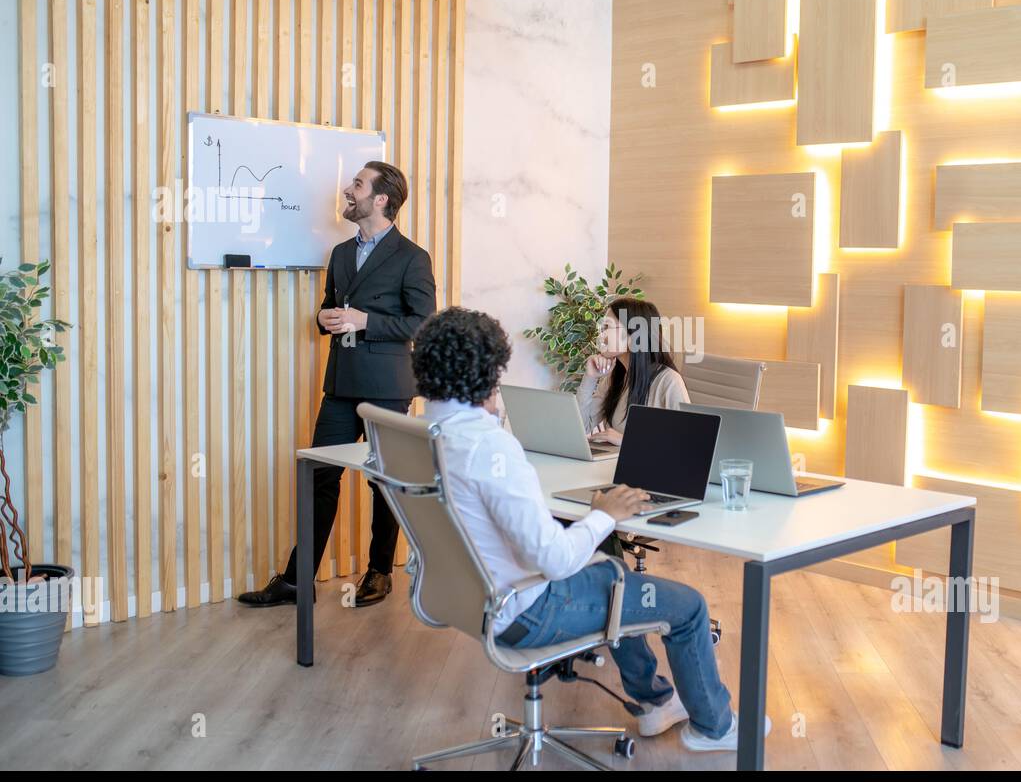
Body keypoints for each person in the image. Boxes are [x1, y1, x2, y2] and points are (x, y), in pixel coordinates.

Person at [414, 307, 765, 750]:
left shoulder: (427, 435)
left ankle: (655, 701)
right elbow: (556, 559)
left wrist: (607, 499)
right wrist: (604, 514)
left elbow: (688, 447)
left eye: (609, 325)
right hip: (527, 608)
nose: (600, 332)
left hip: (472, 601)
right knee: (683, 604)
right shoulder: (489, 444)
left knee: (611, 575)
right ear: (488, 373)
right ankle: (715, 727)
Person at [239, 161, 436, 609]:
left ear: (381, 198)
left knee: (383, 482)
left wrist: (366, 320)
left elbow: (422, 323)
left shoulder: (412, 257)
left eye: (358, 185)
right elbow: (331, 307)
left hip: (387, 386)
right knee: (320, 474)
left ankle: (381, 572)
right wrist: (323, 319)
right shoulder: (342, 254)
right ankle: (296, 580)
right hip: (341, 383)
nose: (349, 190)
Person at [577, 296, 689, 446]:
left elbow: (684, 443)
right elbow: (581, 426)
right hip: (611, 463)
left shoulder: (668, 381)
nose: (601, 335)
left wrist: (626, 441)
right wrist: (590, 377)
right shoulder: (614, 377)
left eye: (607, 327)